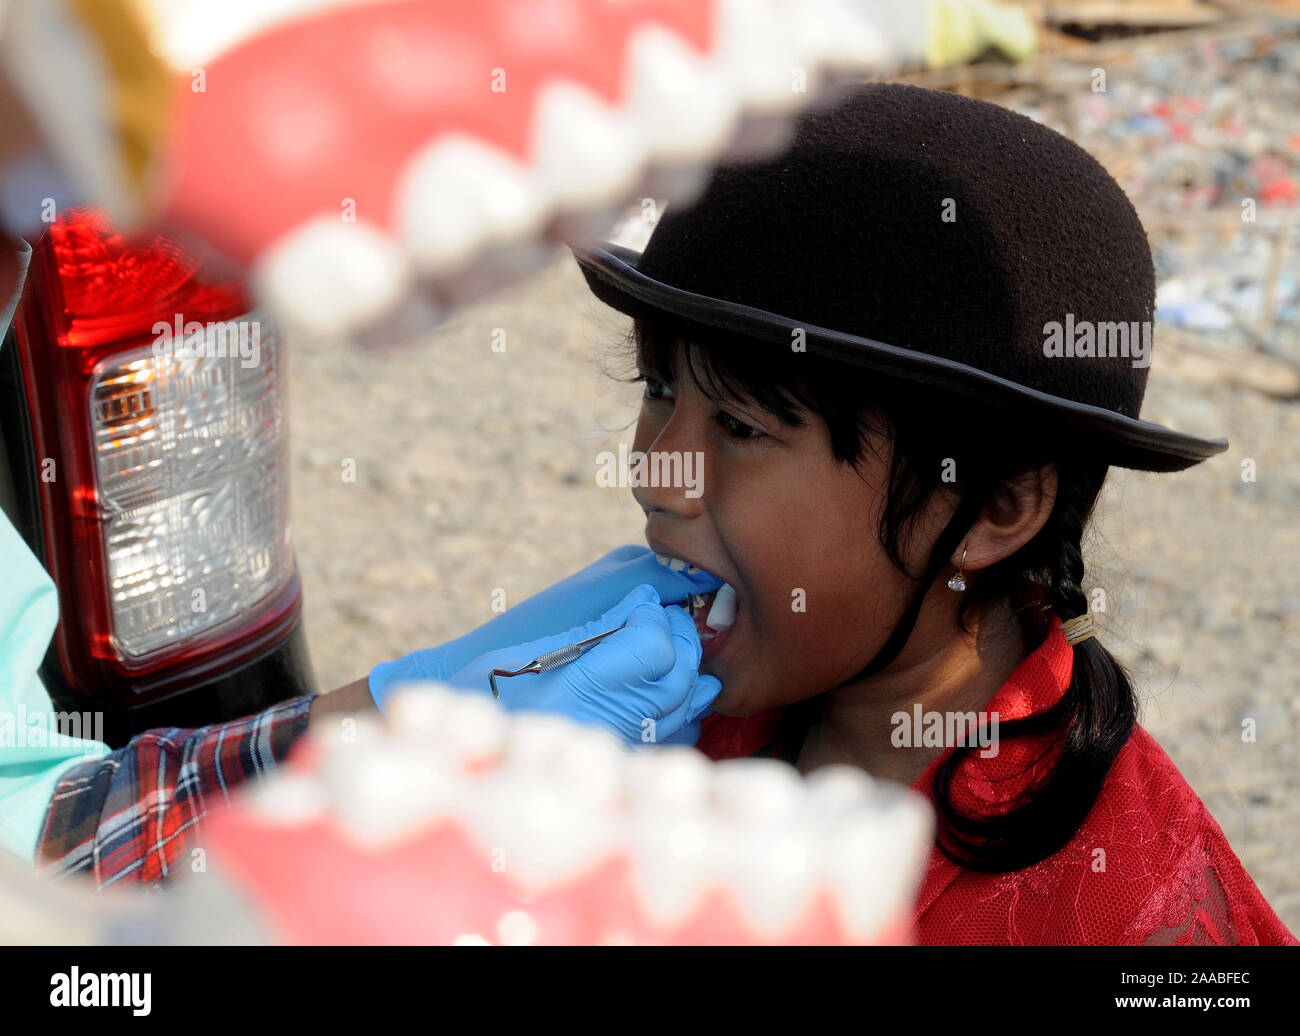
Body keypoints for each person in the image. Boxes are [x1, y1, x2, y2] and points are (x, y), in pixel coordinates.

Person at [567, 83, 1297, 945]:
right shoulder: (648, 707)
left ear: (995, 508)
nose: (657, 471)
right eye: (657, 388)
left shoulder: (1138, 918)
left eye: (741, 426)